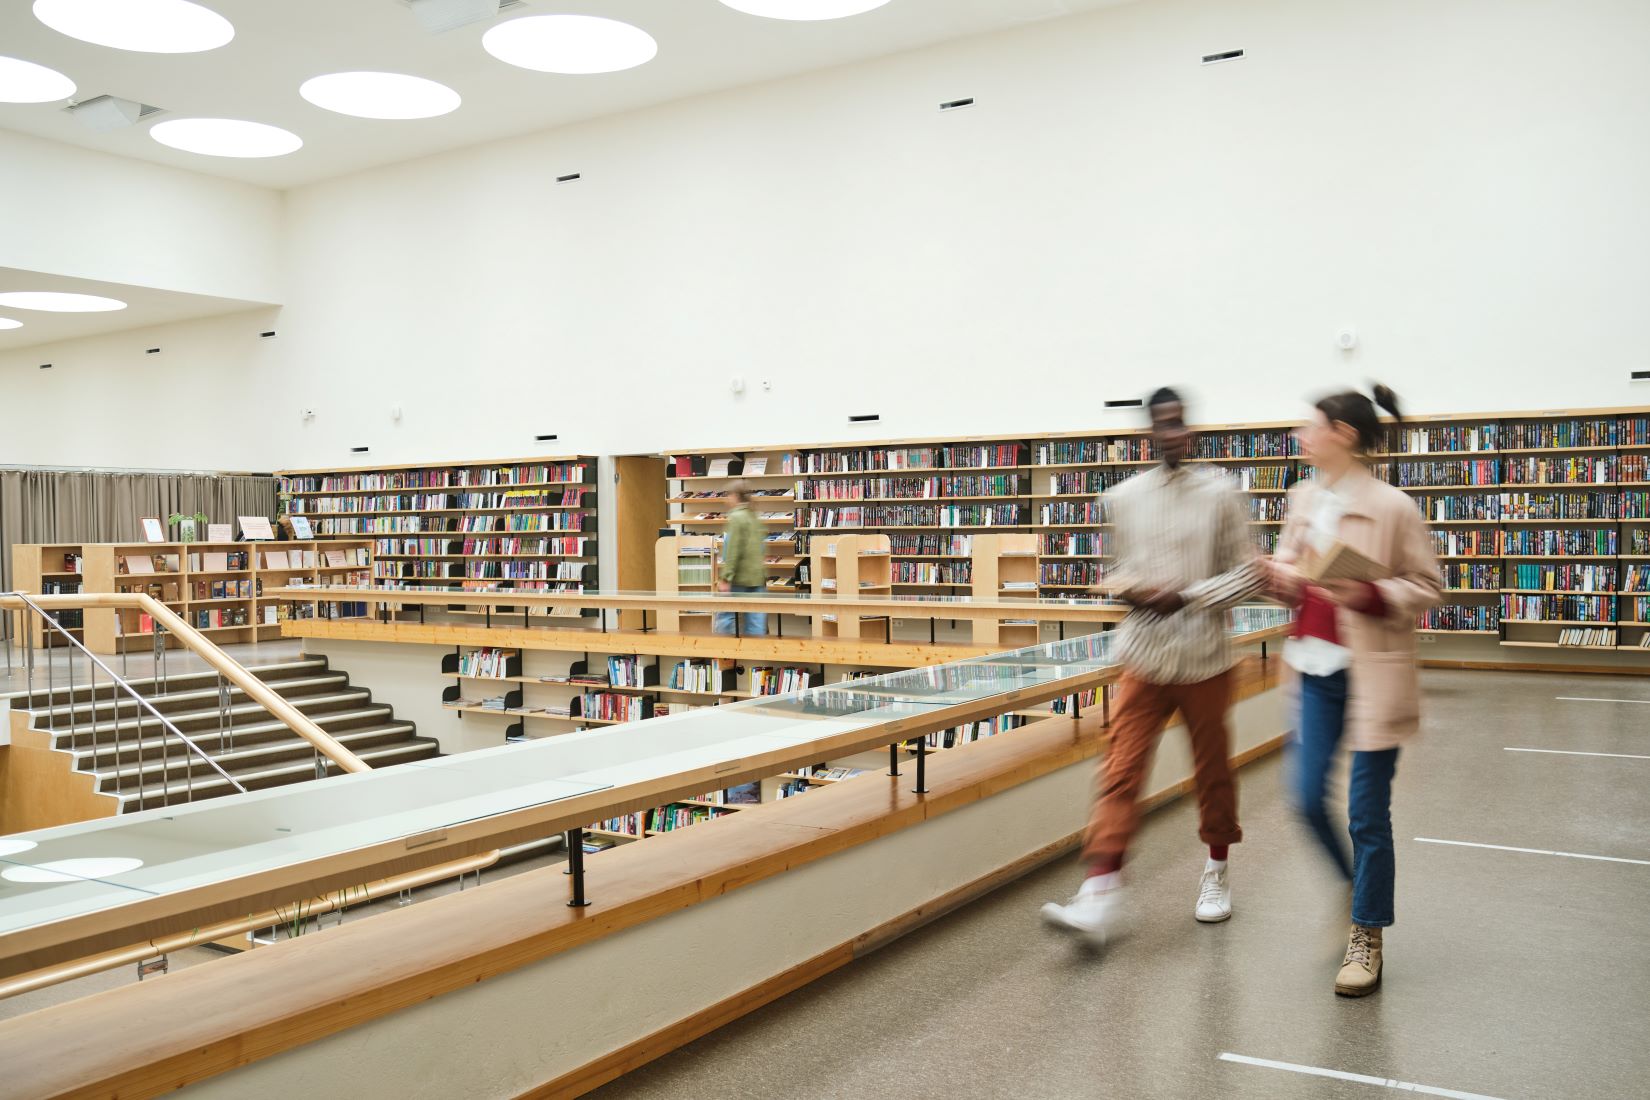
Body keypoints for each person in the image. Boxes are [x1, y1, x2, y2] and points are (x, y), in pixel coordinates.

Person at [1042, 387, 1265, 945]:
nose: (1173, 433)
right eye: (1163, 425)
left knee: (1212, 771)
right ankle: (1099, 891)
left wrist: (1187, 595)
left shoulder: (1221, 495)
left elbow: (1248, 573)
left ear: (1190, 429)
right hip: (1142, 656)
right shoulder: (1124, 498)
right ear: (1149, 433)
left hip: (1204, 659)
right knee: (1120, 769)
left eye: (1180, 423)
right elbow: (1114, 569)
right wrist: (1132, 589)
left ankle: (1217, 870)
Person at [1264, 385, 1441, 997]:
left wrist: (1371, 593)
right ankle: (1350, 886)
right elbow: (1292, 567)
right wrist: (1277, 578)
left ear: (1341, 433)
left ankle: (1367, 933)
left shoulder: (1394, 507)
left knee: (1367, 813)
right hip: (1313, 670)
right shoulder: (1302, 496)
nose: (1301, 437)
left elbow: (1427, 584)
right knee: (1305, 797)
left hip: (1372, 676)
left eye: (1310, 426)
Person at [714, 480, 768, 636]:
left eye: (728, 495)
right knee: (756, 621)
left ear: (735, 496)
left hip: (739, 578)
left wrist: (726, 578)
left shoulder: (736, 517)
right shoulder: (754, 516)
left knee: (726, 616)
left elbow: (733, 550)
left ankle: (725, 648)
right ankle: (755, 650)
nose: (726, 499)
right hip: (757, 578)